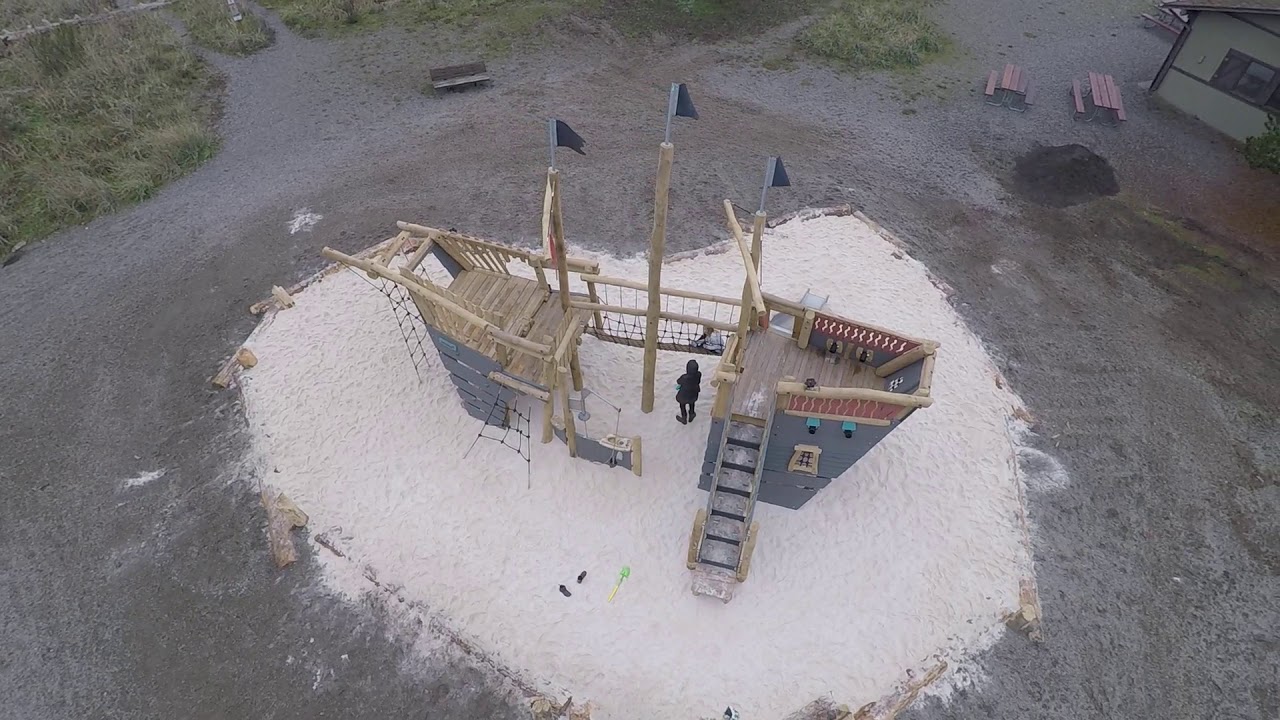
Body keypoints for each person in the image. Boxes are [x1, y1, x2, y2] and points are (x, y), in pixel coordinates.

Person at [676, 359, 702, 424]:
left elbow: (678, 381)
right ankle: (691, 414)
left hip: (683, 395)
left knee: (682, 405)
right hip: (693, 394)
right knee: (692, 403)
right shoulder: (698, 374)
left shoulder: (684, 377)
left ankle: (684, 418)